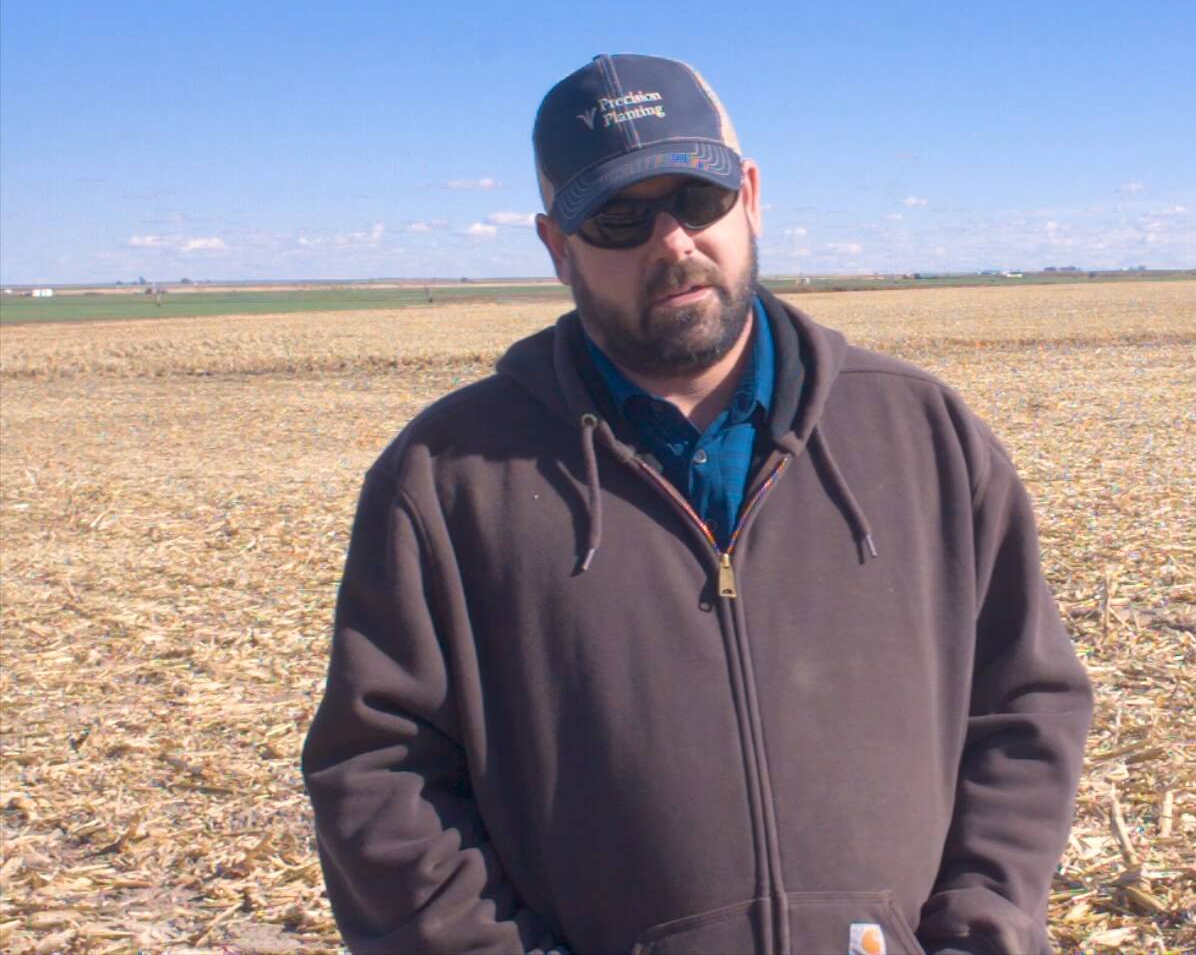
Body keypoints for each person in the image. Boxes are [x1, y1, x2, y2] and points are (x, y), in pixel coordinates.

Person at [301, 54, 1094, 955]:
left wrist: (982, 929)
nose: (672, 241)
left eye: (698, 197)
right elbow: (380, 773)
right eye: (619, 216)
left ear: (749, 196)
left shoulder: (922, 434)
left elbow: (1024, 703)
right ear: (557, 247)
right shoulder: (448, 478)